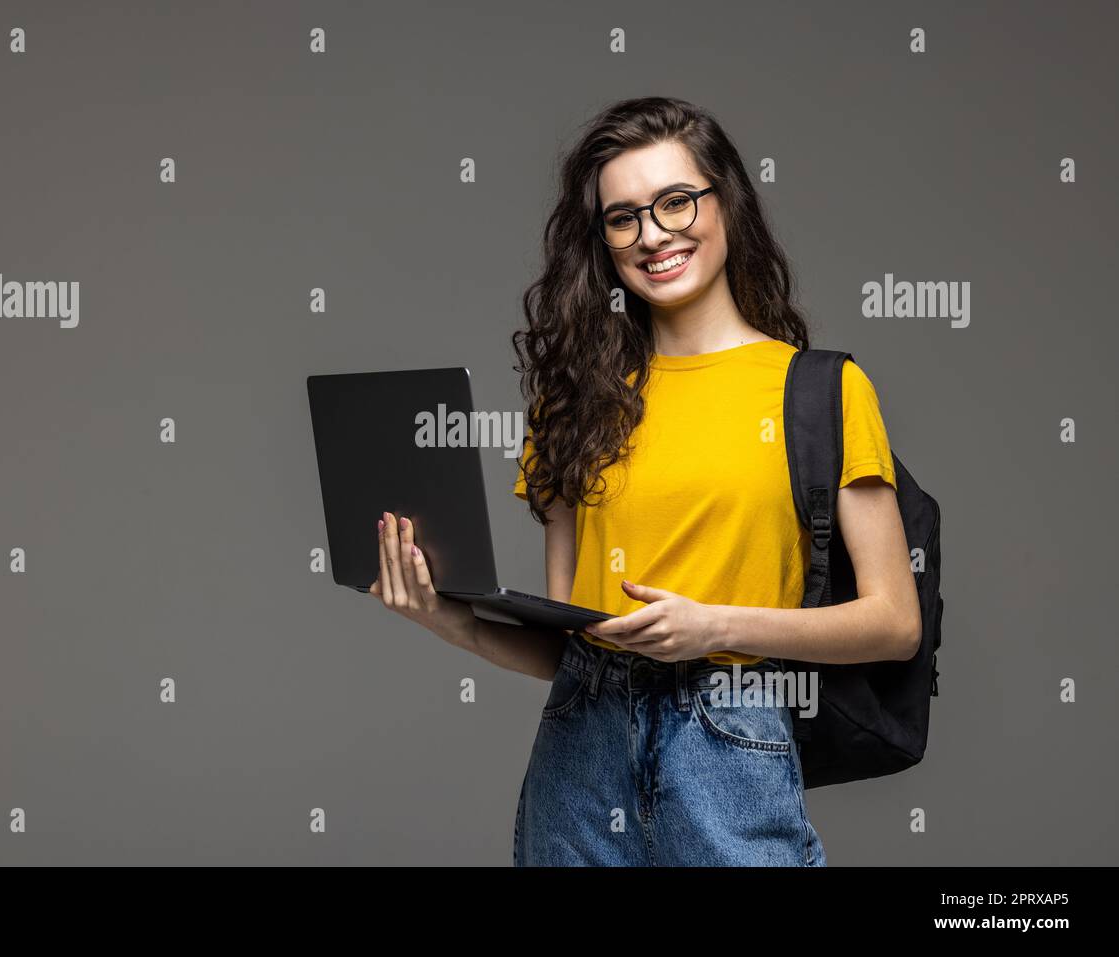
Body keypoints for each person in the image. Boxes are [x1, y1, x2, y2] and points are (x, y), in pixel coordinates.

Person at [368, 96, 921, 866]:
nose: (653, 233)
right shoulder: (576, 402)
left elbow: (895, 621)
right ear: (602, 241)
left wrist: (716, 626)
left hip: (728, 740)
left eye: (675, 201)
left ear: (726, 201)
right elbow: (566, 644)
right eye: (623, 216)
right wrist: (444, 616)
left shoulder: (820, 391)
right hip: (580, 753)